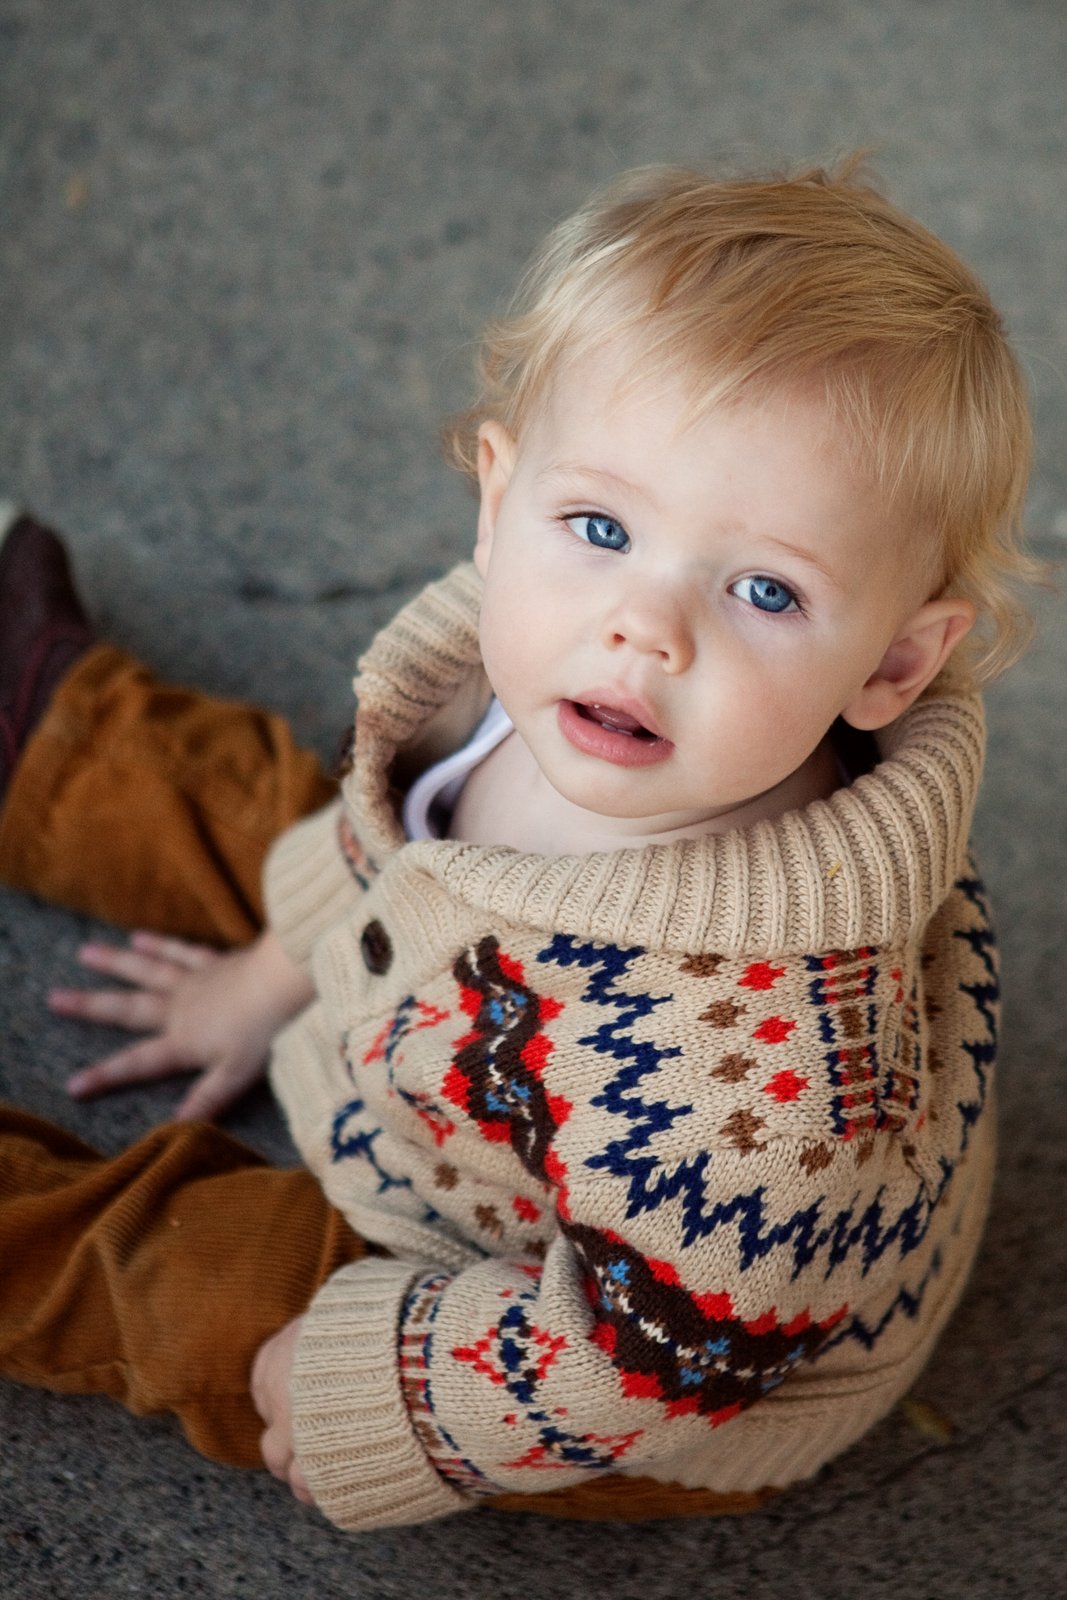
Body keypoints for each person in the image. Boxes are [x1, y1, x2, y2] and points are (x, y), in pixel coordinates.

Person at [0, 158, 1040, 1532]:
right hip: (465, 1015)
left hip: (600, 1349)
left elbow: (655, 1362)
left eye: (766, 591)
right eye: (601, 526)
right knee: (297, 807)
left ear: (895, 664)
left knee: (202, 1275)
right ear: (501, 501)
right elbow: (381, 836)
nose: (645, 628)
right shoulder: (549, 661)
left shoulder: (767, 1098)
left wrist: (403, 1400)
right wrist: (272, 971)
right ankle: (45, 724)